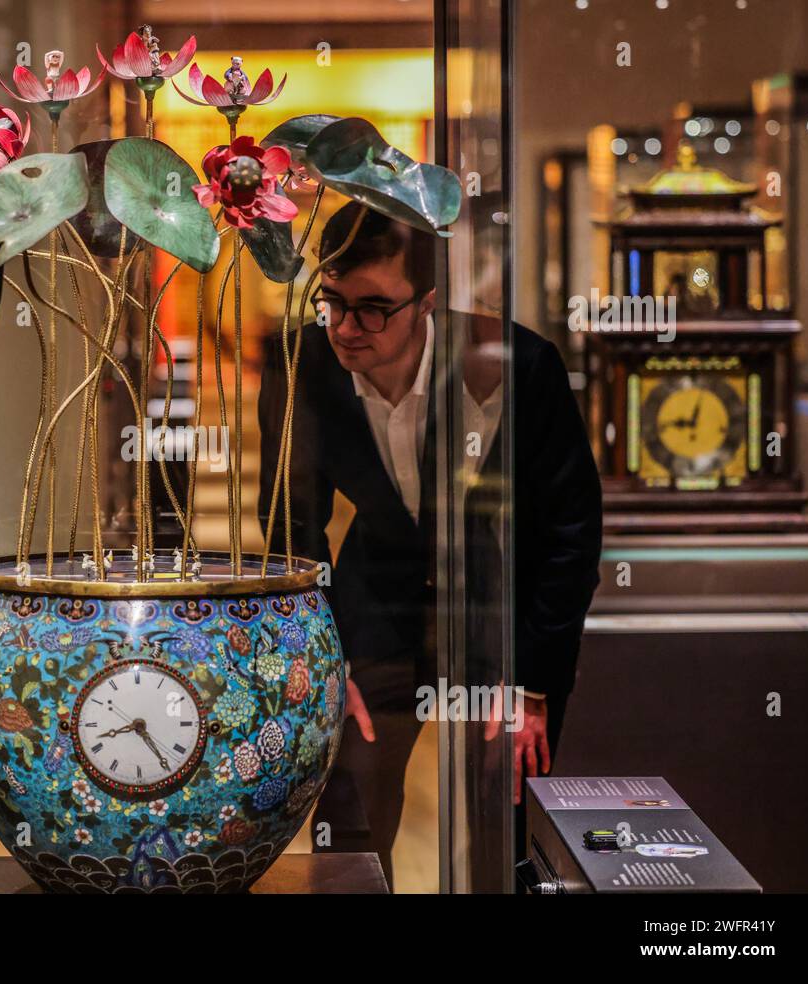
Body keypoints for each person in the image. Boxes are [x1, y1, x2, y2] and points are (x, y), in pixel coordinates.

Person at [257, 203, 602, 889]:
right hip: (375, 599)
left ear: (428, 302)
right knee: (347, 813)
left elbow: (571, 532)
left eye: (374, 309)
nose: (347, 329)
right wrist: (324, 659)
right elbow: (292, 531)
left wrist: (532, 684)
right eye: (333, 303)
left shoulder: (515, 365)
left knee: (503, 820)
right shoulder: (301, 364)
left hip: (501, 607)